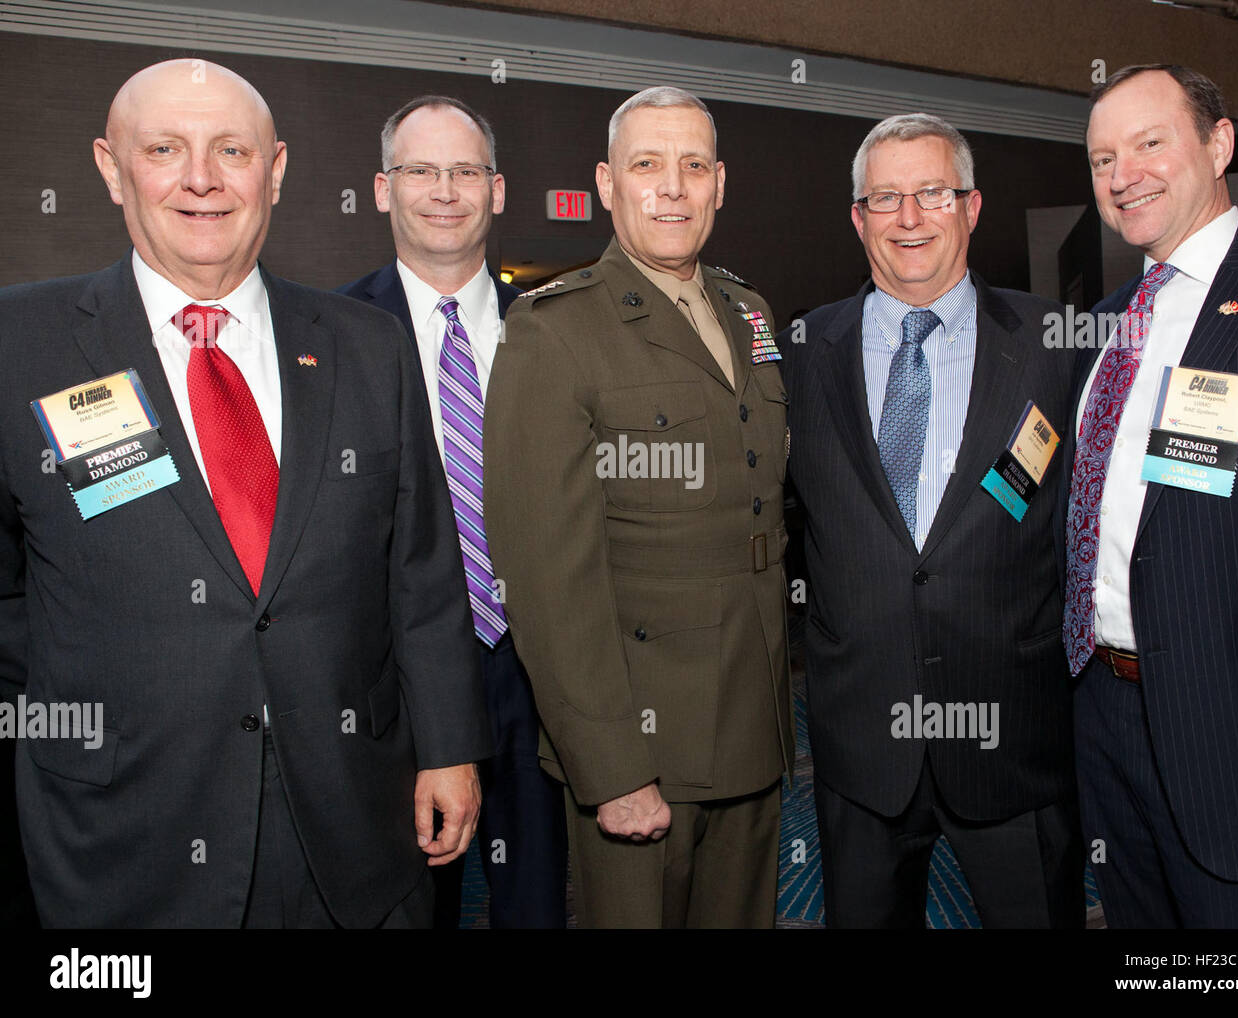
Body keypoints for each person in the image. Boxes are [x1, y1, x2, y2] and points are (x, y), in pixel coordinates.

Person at [0, 59, 490, 928]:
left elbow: (421, 575)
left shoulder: (366, 347)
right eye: (164, 149)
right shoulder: (21, 345)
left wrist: (450, 747)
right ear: (112, 169)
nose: (201, 179)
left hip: (355, 824)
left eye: (232, 149)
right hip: (123, 838)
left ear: (277, 170)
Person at [482, 86, 793, 928]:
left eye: (693, 166)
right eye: (646, 165)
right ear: (607, 184)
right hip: (643, 740)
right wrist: (612, 764)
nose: (672, 188)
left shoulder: (749, 312)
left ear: (720, 184)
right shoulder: (552, 330)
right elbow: (545, 576)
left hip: (754, 723)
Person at [777, 113, 1082, 928]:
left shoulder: (1057, 347)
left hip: (1013, 737)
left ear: (972, 207)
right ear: (857, 217)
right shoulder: (798, 351)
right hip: (860, 745)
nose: (909, 218)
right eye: (886, 198)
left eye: (932, 194)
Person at [1062, 63, 1238, 927]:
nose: (1123, 175)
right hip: (1108, 714)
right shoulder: (1113, 317)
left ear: (1220, 143)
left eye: (1150, 143)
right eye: (1101, 159)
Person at [338, 96, 566, 929]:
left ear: (497, 190)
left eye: (466, 170)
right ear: (381, 188)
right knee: (407, 899)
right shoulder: (330, 335)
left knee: (538, 896)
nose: (445, 190)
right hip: (395, 676)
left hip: (539, 667)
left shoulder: (553, 330)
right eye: (420, 170)